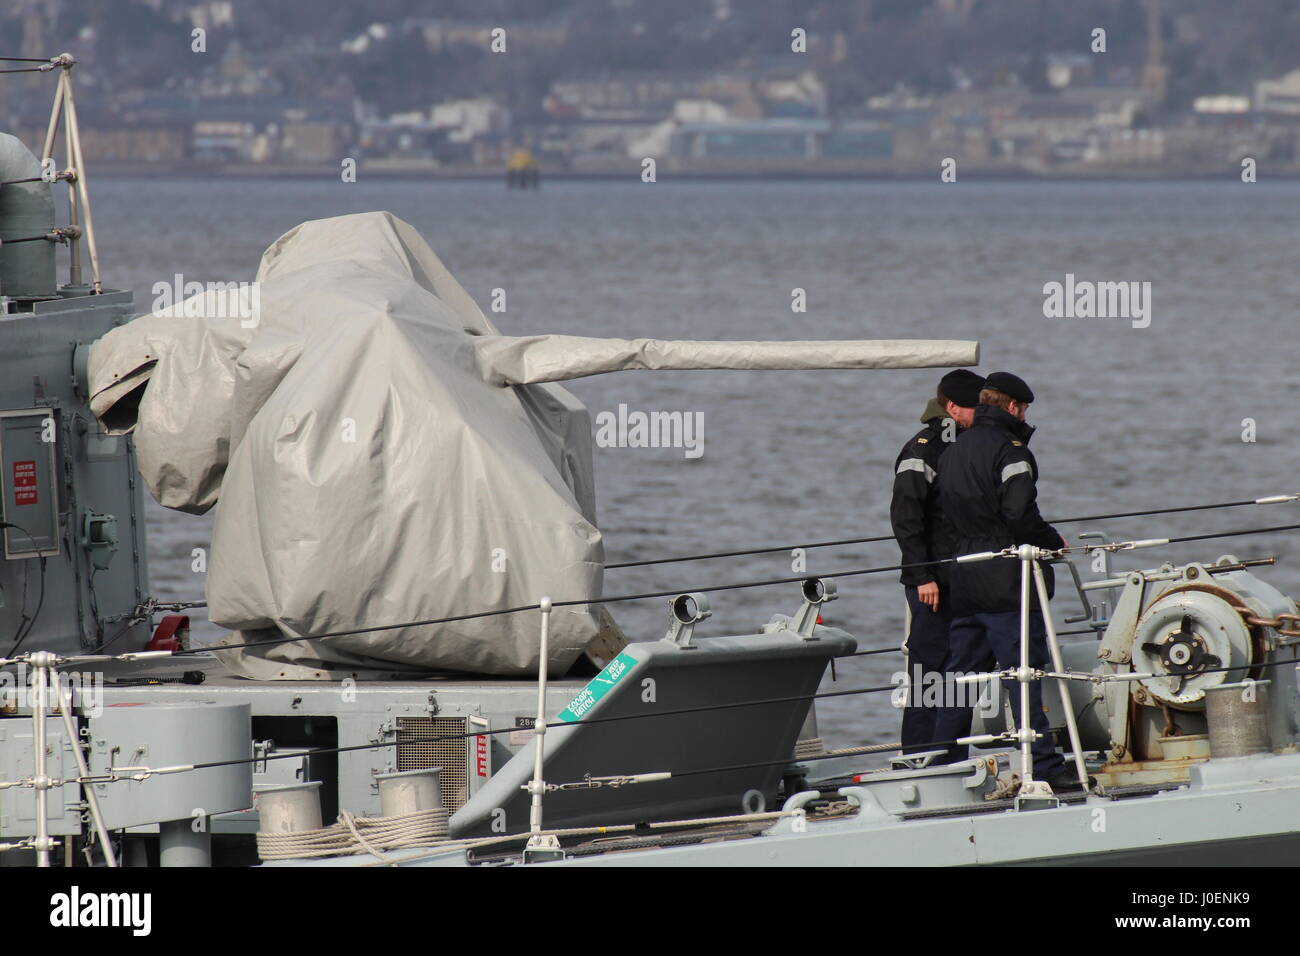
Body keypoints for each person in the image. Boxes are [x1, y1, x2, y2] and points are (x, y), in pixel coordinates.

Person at [933, 371, 1081, 790]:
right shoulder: (1011, 451)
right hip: (1008, 581)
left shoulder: (953, 452)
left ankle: (943, 764)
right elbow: (1019, 514)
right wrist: (1053, 542)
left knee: (960, 679)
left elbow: (948, 519)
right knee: (1024, 675)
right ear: (1013, 407)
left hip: (965, 579)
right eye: (1025, 409)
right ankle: (1047, 767)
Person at [891, 368, 985, 756]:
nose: (981, 414)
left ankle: (951, 755)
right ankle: (919, 758)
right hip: (934, 584)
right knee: (929, 671)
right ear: (951, 407)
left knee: (961, 672)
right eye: (974, 407)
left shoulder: (971, 443)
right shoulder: (922, 449)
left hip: (967, 580)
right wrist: (921, 576)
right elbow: (905, 518)